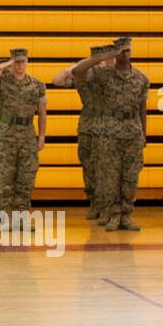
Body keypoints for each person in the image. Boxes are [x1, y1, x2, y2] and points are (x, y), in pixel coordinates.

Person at [75, 37, 148, 231]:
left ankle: (126, 214)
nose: (125, 55)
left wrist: (144, 134)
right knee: (110, 177)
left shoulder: (141, 78)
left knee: (131, 177)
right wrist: (100, 58)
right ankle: (114, 214)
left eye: (128, 51)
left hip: (132, 132)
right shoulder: (103, 74)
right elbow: (77, 72)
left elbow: (142, 107)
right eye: (121, 51)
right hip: (109, 132)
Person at [0, 48, 46, 215]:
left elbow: (42, 112)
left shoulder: (37, 85)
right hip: (6, 135)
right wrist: (1, 66)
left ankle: (23, 217)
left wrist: (41, 136)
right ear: (12, 64)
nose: (20, 65)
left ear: (27, 62)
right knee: (5, 178)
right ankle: (6, 217)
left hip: (27, 134)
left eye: (22, 61)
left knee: (26, 178)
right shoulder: (0, 83)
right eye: (16, 62)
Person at [52, 46, 109, 220]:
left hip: (108, 125)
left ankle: (108, 206)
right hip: (87, 125)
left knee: (107, 167)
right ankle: (94, 203)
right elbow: (57, 81)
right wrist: (72, 68)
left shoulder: (110, 78)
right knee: (88, 166)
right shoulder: (82, 79)